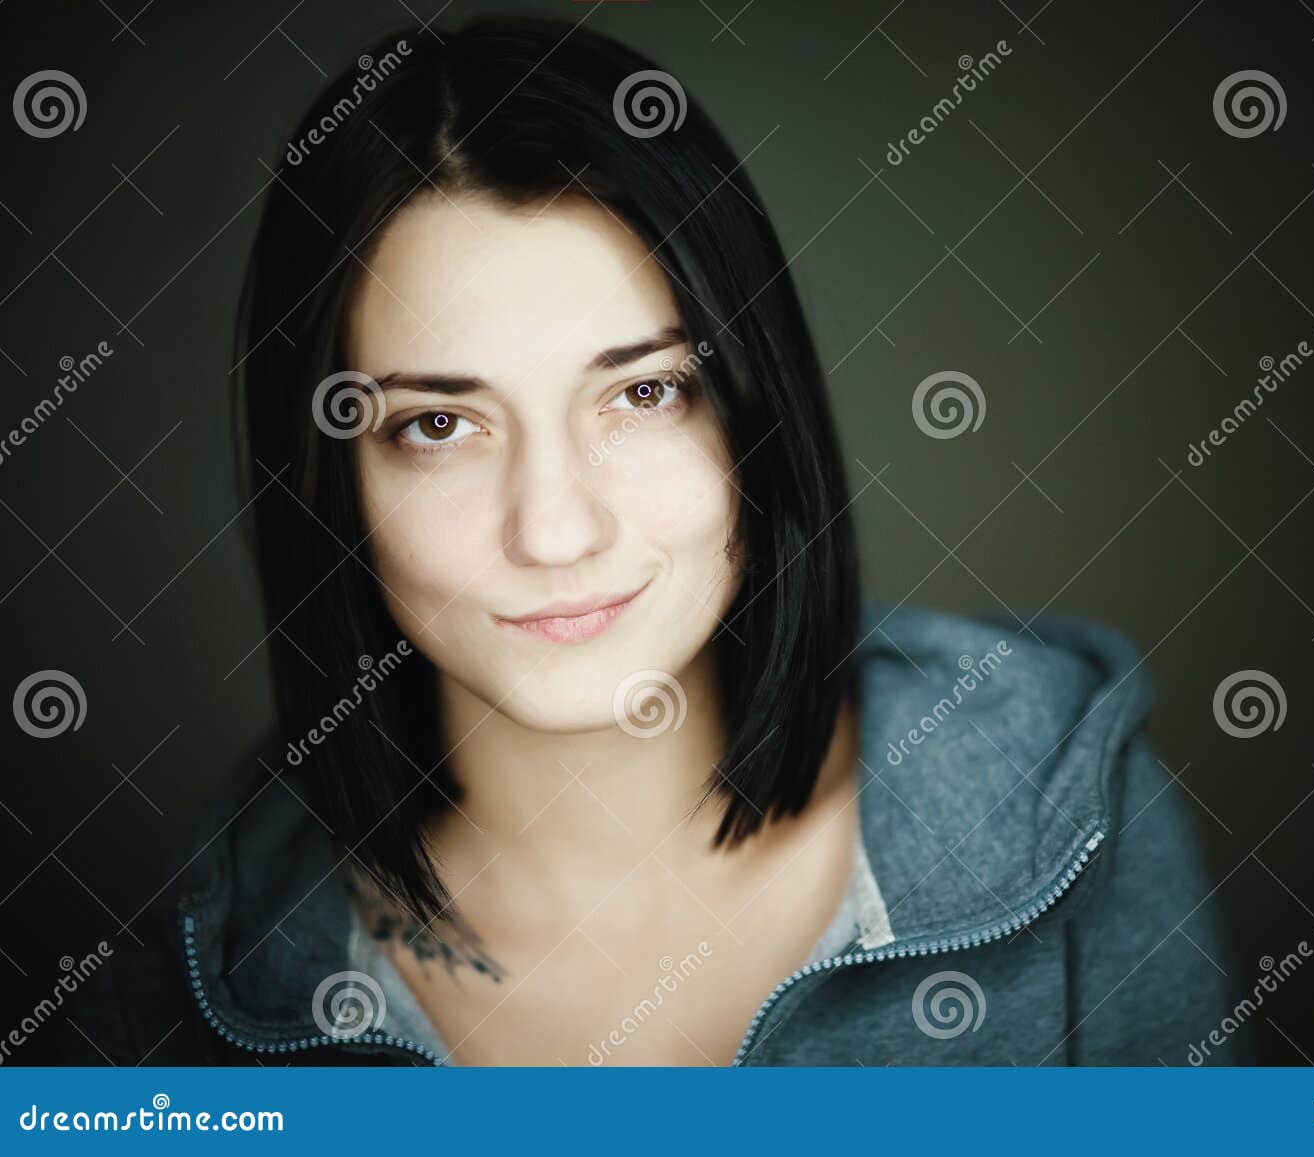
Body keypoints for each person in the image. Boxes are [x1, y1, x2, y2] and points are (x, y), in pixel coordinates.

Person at [61, 15, 1248, 1067]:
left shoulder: (1059, 797)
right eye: (438, 424)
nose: (555, 528)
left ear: (756, 414)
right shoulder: (186, 976)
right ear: (329, 478)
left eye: (643, 393)